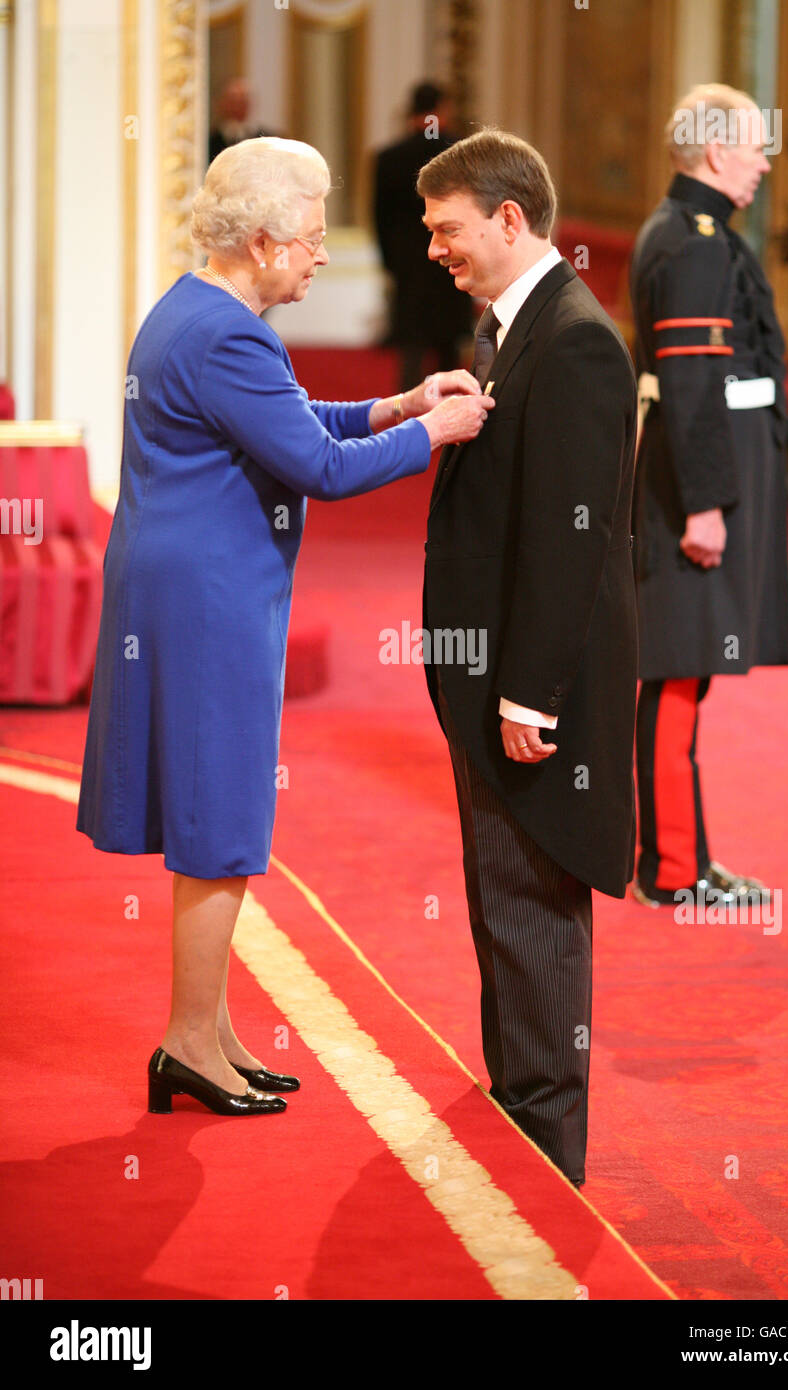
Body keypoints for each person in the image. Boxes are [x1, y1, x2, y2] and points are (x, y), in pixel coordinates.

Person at [76, 137, 492, 1119]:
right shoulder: (229, 334)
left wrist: (395, 401)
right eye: (309, 240)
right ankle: (188, 1040)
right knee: (219, 824)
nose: (320, 256)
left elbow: (289, 421)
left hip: (185, 587)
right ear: (261, 242)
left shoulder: (196, 310)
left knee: (213, 816)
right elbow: (320, 468)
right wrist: (431, 432)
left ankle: (208, 1029)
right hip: (207, 601)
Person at [416, 130, 638, 1187]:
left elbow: (571, 537)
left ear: (509, 219)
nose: (434, 249)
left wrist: (526, 695)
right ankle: (515, 1108)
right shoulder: (513, 327)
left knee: (532, 908)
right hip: (490, 683)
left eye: (446, 229)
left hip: (529, 692)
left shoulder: (577, 340)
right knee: (498, 900)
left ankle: (546, 1153)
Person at [629, 85, 788, 909]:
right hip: (696, 485)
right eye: (754, 145)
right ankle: (670, 869)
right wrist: (703, 505)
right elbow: (692, 384)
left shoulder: (699, 232)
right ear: (714, 150)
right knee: (679, 671)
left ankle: (682, 854)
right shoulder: (694, 242)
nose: (765, 160)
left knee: (688, 671)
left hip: (705, 474)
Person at [373, 82, 473, 391]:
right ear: (442, 109)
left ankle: (405, 413)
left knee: (411, 350)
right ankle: (454, 410)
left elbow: (380, 218)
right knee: (449, 349)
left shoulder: (388, 157)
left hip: (408, 268)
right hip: (452, 261)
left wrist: (390, 264)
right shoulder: (460, 155)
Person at [208, 77, 274, 164]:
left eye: (242, 101)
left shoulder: (268, 140)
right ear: (221, 104)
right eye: (232, 101)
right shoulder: (209, 142)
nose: (237, 107)